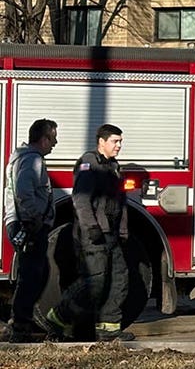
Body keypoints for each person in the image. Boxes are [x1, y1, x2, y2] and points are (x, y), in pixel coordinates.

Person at [42, 124, 134, 342]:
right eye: (115, 141)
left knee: (120, 279)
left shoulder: (113, 165)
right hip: (92, 235)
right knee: (95, 282)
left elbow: (120, 202)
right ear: (101, 142)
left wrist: (122, 231)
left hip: (111, 235)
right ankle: (57, 318)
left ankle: (109, 330)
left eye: (120, 141)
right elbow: (81, 200)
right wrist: (91, 228)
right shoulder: (88, 163)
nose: (119, 146)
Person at [2, 119, 58, 343]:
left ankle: (20, 322)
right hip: (28, 225)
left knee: (37, 273)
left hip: (24, 223)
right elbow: (25, 193)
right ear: (43, 139)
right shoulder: (32, 160)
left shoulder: (24, 158)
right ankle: (20, 328)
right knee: (32, 276)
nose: (55, 143)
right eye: (53, 138)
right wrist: (34, 219)